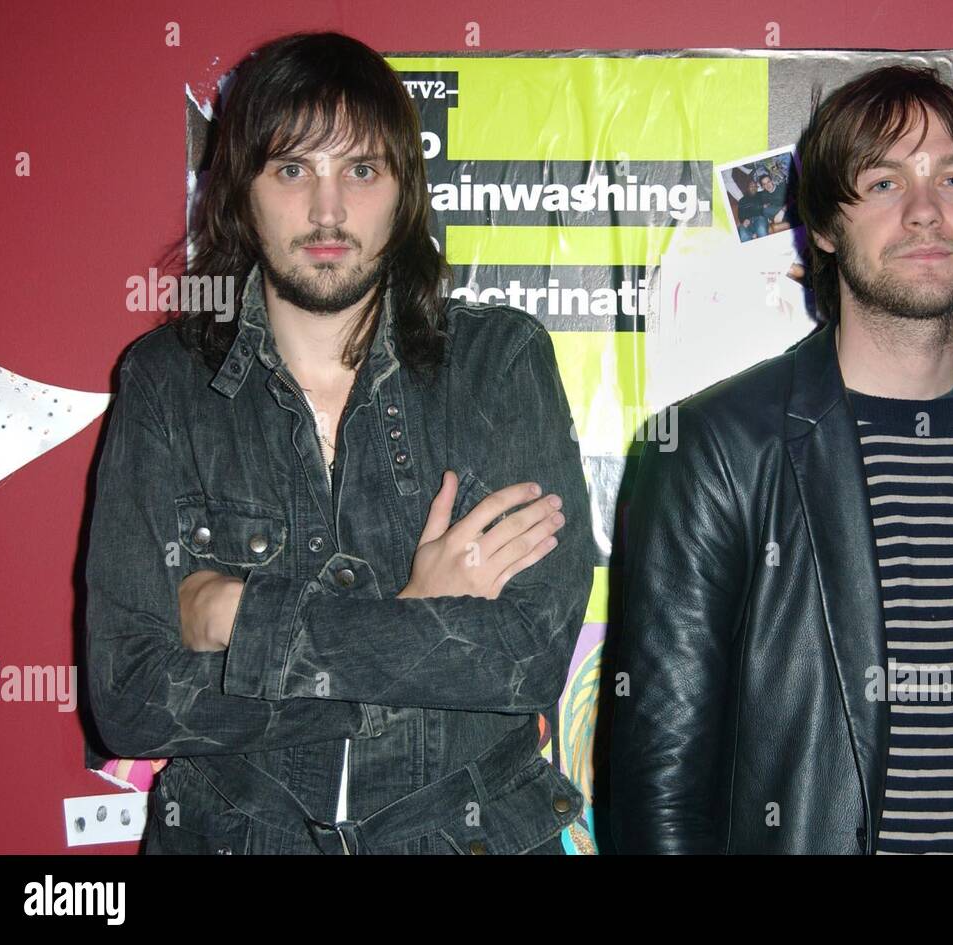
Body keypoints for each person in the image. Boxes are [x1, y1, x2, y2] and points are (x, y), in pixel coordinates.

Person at [85, 31, 594, 855]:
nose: (328, 212)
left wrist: (239, 618)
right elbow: (133, 700)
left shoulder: (500, 360)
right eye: (293, 170)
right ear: (240, 191)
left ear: (403, 189)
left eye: (360, 170)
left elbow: (524, 659)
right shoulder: (165, 382)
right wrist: (413, 620)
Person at [610, 64, 953, 854]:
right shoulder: (711, 450)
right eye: (884, 182)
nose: (926, 210)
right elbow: (657, 791)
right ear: (823, 226)